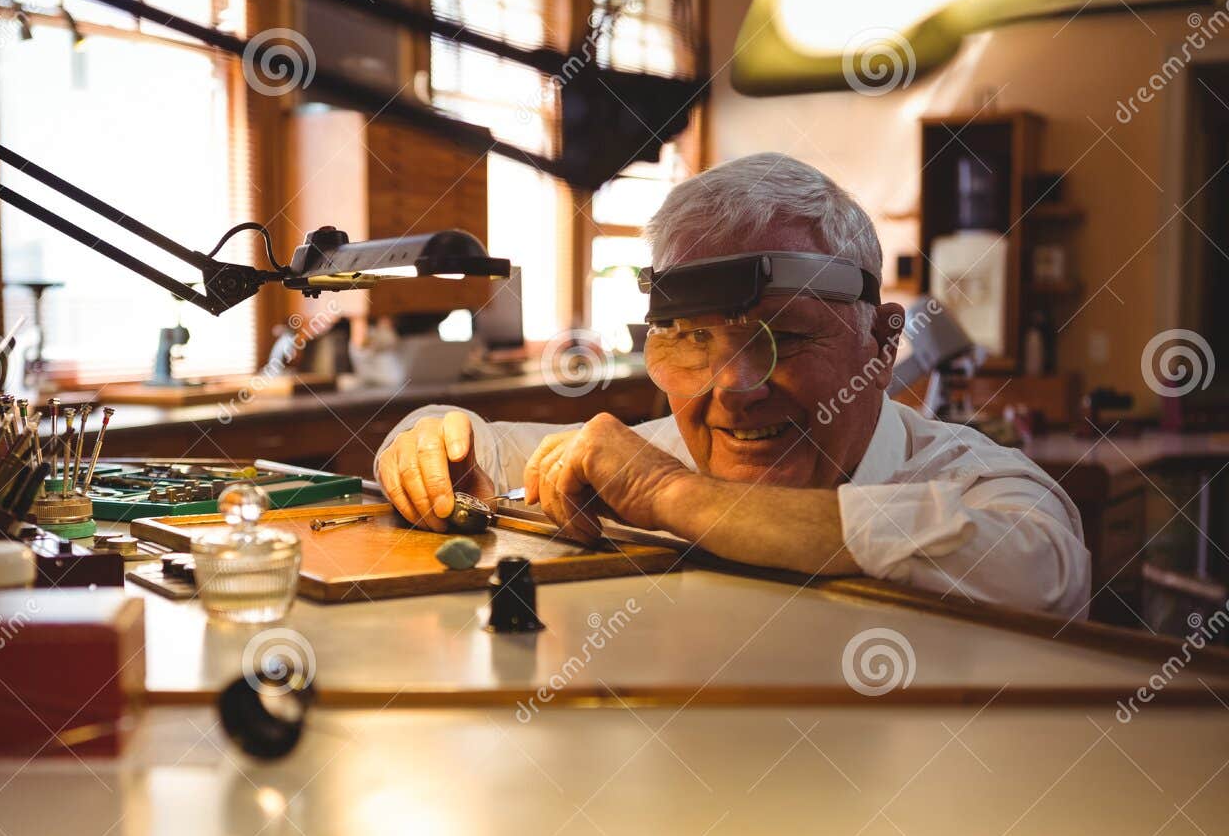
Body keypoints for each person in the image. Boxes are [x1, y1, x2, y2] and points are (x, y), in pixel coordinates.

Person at [374, 153, 1091, 618]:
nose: (736, 387)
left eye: (787, 335)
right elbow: (475, 447)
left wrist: (677, 498)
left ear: (881, 342)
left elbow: (1043, 574)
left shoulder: (962, 481)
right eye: (690, 339)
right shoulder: (648, 456)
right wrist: (424, 440)